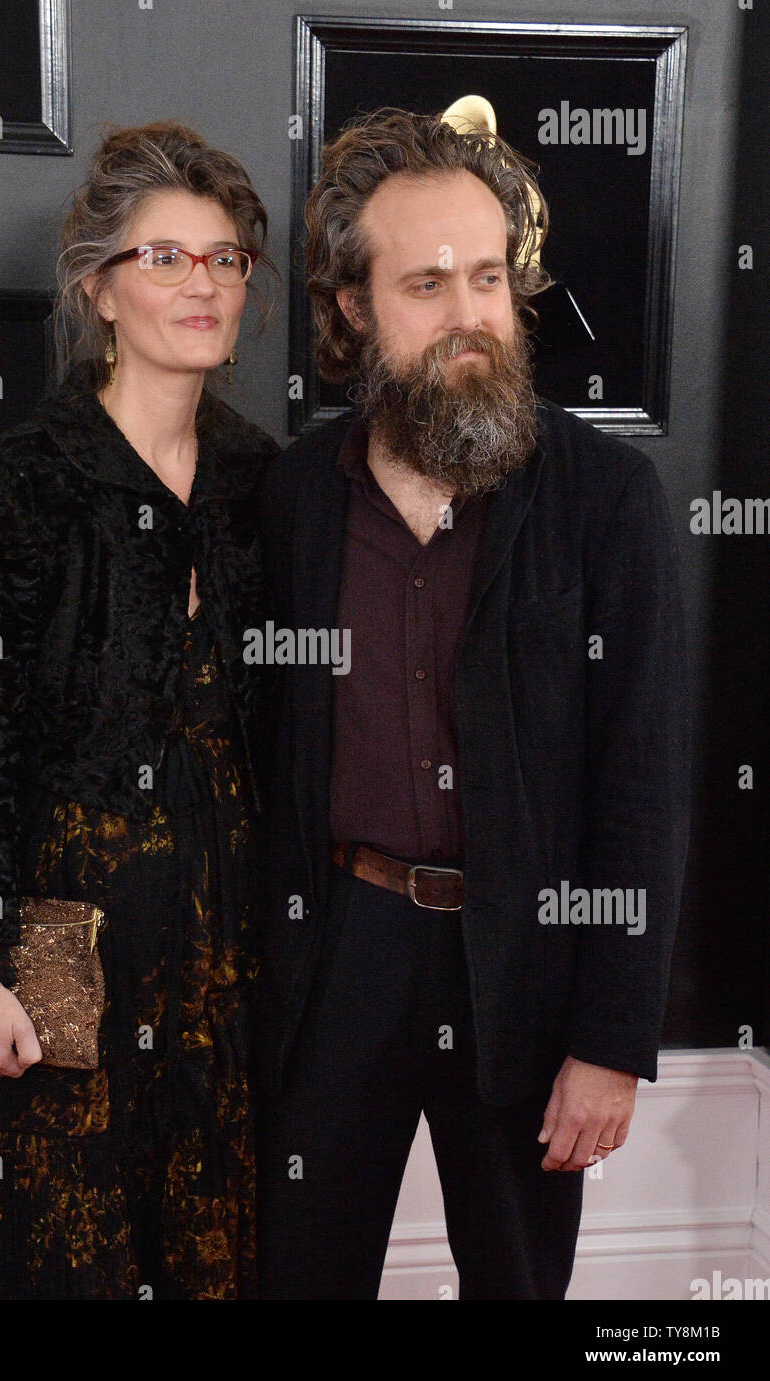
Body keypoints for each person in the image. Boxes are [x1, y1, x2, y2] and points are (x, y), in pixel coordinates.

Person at [256, 107, 691, 1300]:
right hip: (339, 952)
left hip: (527, 972)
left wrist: (610, 1043)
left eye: (492, 278)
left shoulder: (609, 501)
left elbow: (642, 786)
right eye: (429, 283)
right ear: (354, 309)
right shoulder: (296, 497)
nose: (471, 315)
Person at [0, 120, 280, 1299]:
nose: (201, 283)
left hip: (223, 954)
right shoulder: (29, 474)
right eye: (164, 258)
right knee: (46, 1266)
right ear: (100, 290)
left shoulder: (268, 482)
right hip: (60, 940)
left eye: (224, 259)